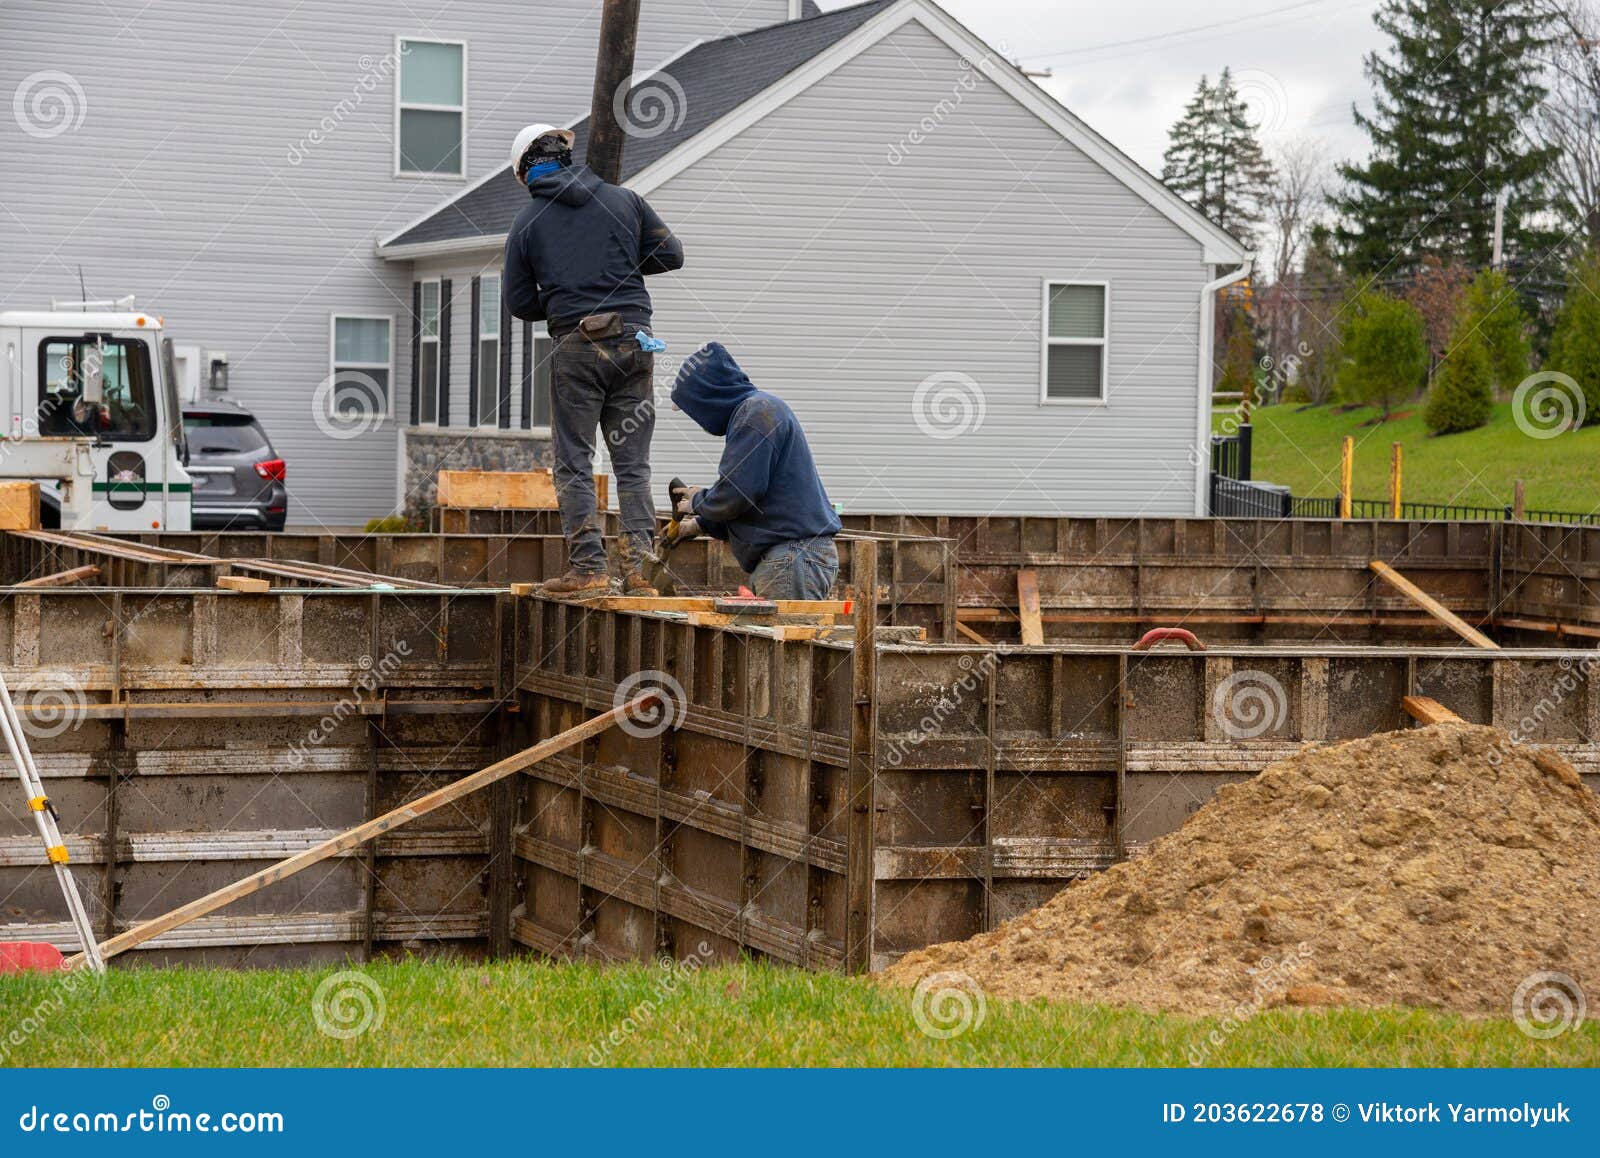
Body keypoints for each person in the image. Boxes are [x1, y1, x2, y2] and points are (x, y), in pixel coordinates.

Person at [502, 122, 684, 598]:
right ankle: (641, 572)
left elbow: (520, 304)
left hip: (578, 345)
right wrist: (617, 268)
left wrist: (567, 297)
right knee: (633, 463)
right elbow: (671, 255)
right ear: (566, 156)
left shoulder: (527, 223)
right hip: (636, 341)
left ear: (525, 172)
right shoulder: (625, 201)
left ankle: (589, 570)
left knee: (575, 462)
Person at [667, 343, 841, 600]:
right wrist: (699, 525)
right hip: (793, 557)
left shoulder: (754, 413)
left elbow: (737, 492)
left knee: (783, 639)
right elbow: (755, 500)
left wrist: (696, 500)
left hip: (791, 557)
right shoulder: (758, 410)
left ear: (707, 397)